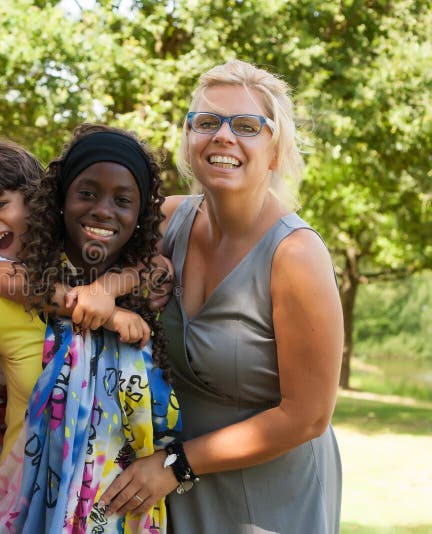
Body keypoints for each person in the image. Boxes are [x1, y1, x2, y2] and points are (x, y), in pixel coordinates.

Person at [99, 60, 343, 533]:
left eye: (248, 126)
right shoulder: (166, 222)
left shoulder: (295, 255)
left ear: (275, 151)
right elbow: (79, 257)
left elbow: (307, 417)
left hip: (269, 495)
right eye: (207, 122)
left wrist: (175, 465)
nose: (223, 137)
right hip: (175, 488)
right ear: (189, 142)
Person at [0, 139, 158, 533]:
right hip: (0, 410)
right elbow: (26, 289)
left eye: (0, 205)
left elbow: (155, 265)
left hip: (80, 441)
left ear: (36, 199)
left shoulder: (75, 245)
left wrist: (105, 290)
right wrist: (101, 311)